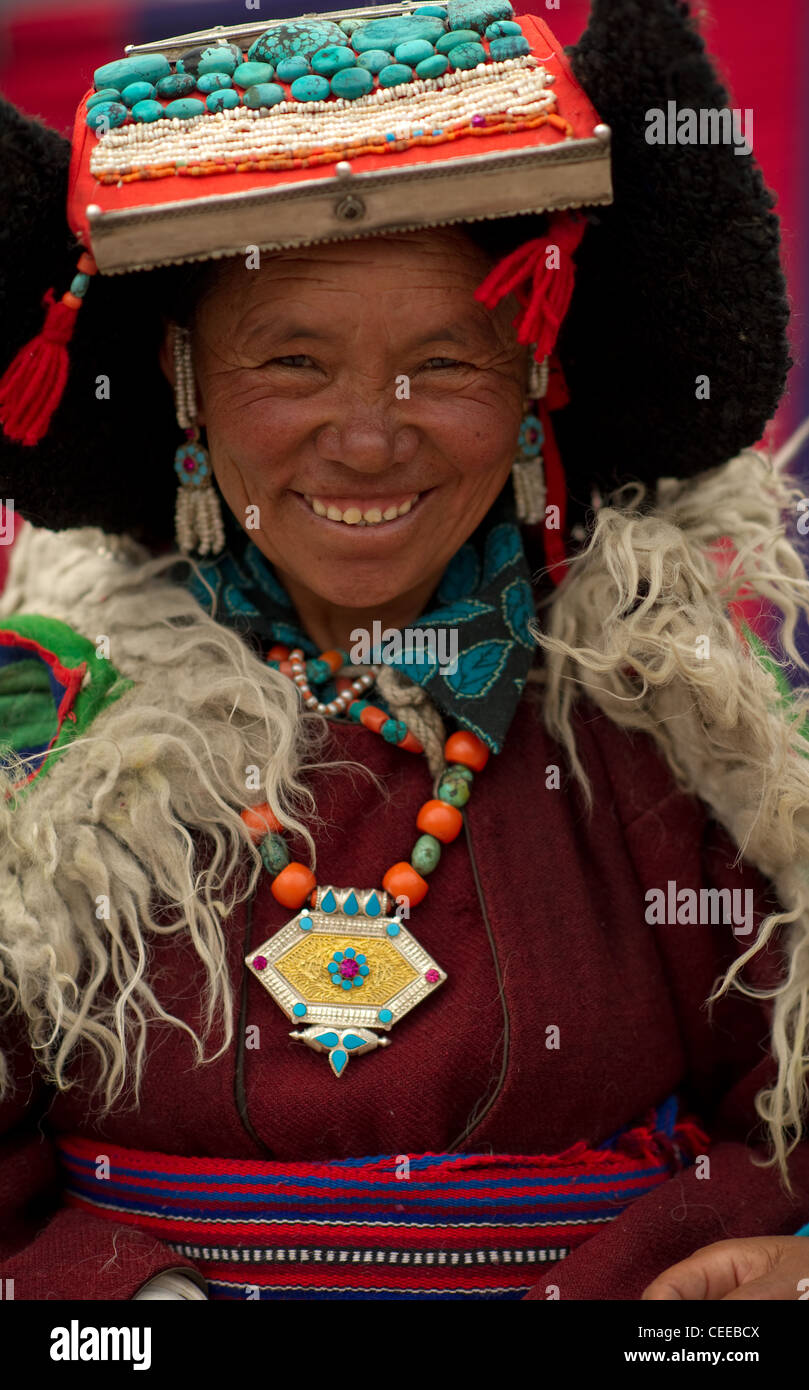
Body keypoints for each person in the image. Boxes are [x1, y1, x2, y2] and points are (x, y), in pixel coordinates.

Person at [0, 0, 808, 1302]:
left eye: (442, 362)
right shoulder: (43, 751)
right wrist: (115, 1304)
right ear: (185, 379)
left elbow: (786, 1127)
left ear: (536, 373)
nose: (368, 441)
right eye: (293, 363)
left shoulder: (667, 734)